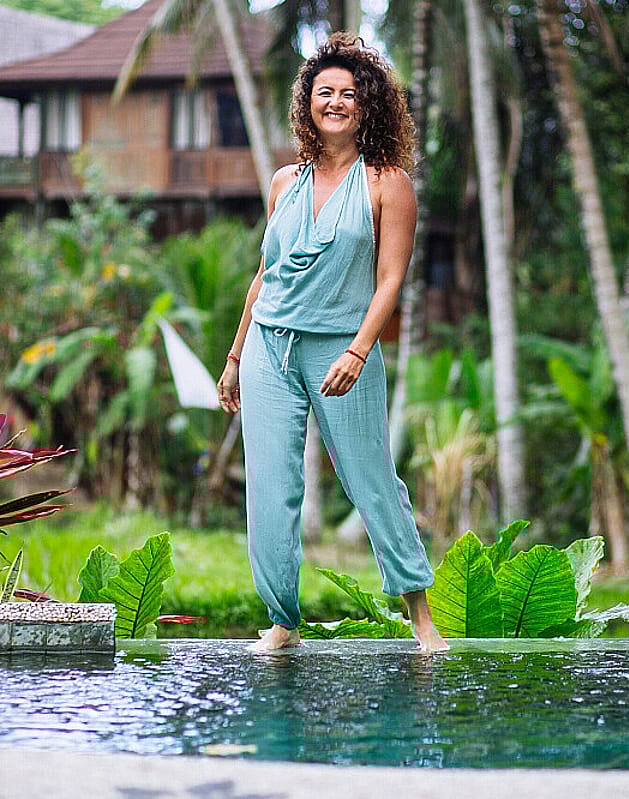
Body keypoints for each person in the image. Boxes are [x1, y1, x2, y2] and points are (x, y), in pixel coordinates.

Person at [217, 32, 449, 655]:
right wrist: (236, 357)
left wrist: (356, 350)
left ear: (367, 105)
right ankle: (282, 621)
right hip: (270, 347)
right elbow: (266, 275)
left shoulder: (387, 183)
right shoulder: (284, 182)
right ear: (308, 104)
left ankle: (421, 618)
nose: (337, 102)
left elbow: (391, 280)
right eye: (326, 93)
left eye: (349, 93)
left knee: (370, 479)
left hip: (342, 347)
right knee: (269, 486)